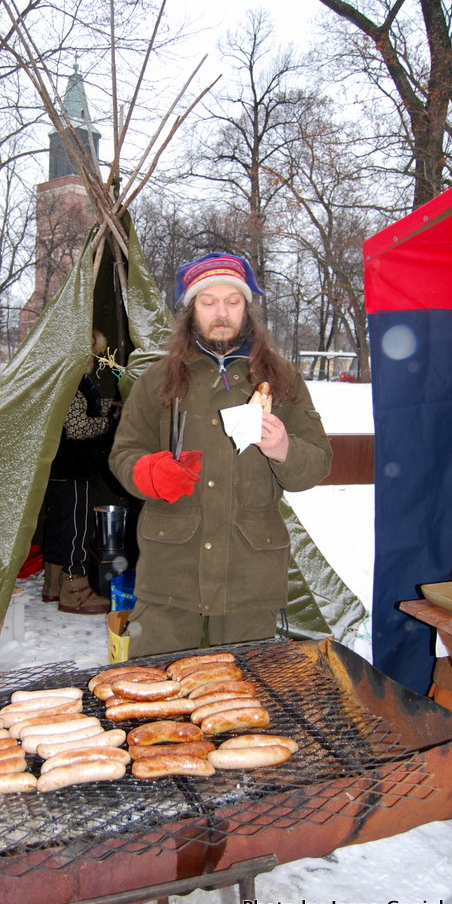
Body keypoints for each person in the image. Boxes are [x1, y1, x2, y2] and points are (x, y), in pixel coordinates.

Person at [108, 252, 333, 657]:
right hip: (170, 572)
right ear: (191, 310)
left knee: (240, 687)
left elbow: (316, 464)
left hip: (249, 573)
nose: (222, 312)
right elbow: (123, 453)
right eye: (208, 301)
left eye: (233, 300)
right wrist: (148, 473)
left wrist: (284, 449)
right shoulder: (157, 379)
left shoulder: (283, 379)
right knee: (157, 684)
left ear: (247, 308)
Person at [42, 330, 118, 615]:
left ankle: (53, 584)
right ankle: (75, 591)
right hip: (75, 469)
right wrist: (109, 424)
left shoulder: (67, 378)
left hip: (59, 467)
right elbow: (77, 427)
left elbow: (84, 410)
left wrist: (110, 406)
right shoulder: (74, 382)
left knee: (58, 527)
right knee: (77, 530)